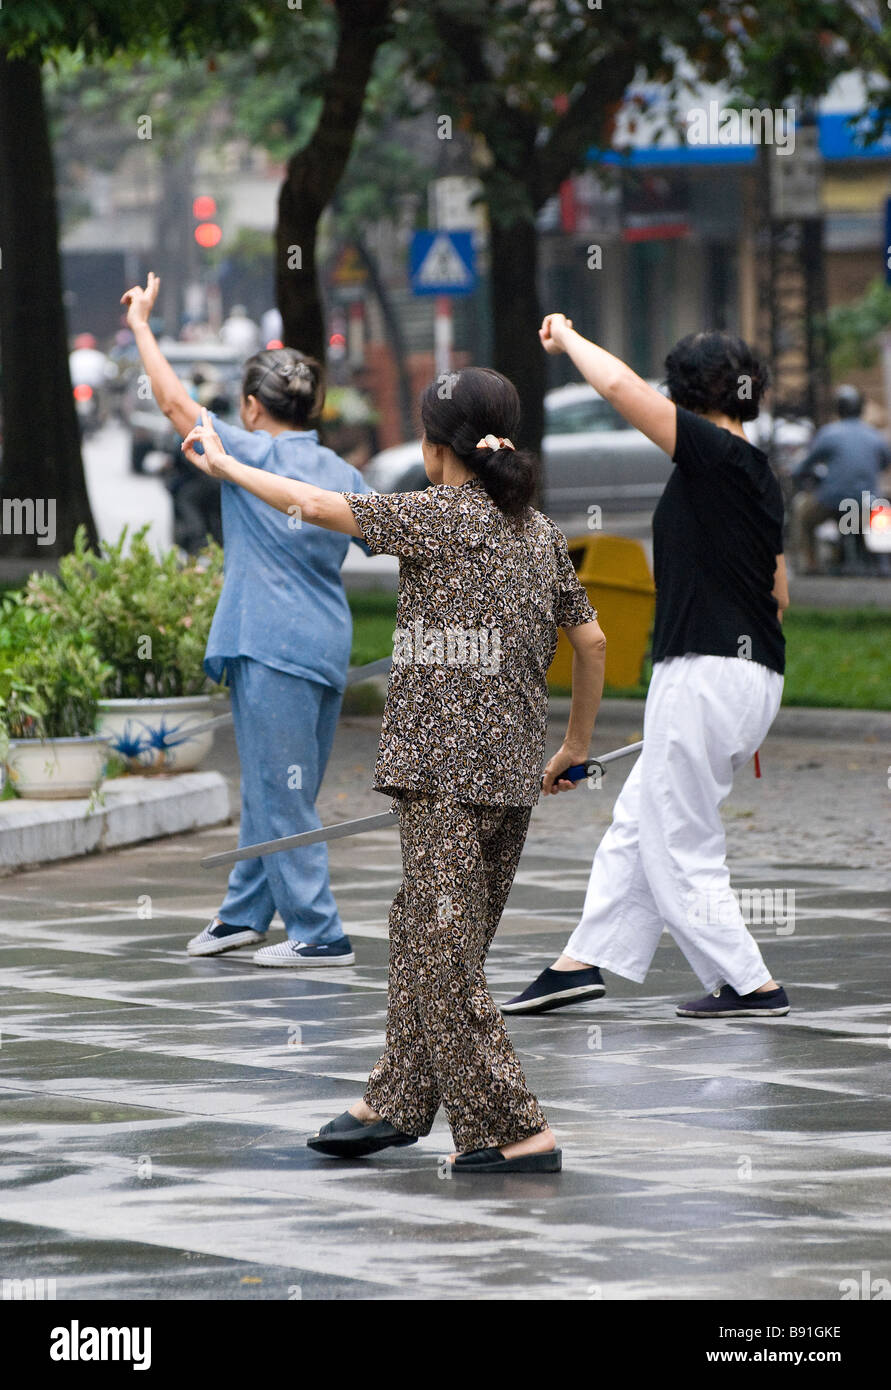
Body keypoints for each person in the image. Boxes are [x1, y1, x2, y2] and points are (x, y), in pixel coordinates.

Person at [181, 366, 608, 1173]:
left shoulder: (439, 515)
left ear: (433, 447)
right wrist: (574, 747)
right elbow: (591, 643)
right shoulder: (539, 531)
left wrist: (228, 465)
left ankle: (516, 1130)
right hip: (513, 776)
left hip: (442, 780)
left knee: (442, 961)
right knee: (426, 940)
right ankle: (397, 1098)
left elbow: (313, 506)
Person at [504, 320, 791, 1021]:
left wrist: (568, 336)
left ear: (684, 392)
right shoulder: (752, 470)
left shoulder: (713, 452)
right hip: (737, 672)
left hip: (707, 668)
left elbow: (614, 386)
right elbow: (779, 594)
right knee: (639, 819)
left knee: (675, 832)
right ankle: (580, 961)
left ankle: (750, 982)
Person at [121, 272, 372, 967]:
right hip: (324, 642)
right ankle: (242, 914)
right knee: (279, 783)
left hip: (271, 643)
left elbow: (172, 402)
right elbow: (386, 536)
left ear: (255, 408)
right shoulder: (338, 470)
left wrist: (142, 324)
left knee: (283, 792)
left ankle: (320, 934)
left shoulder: (246, 452)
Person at [790, 386, 891, 573]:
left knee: (803, 513)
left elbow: (804, 466)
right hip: (867, 503)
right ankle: (880, 563)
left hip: (832, 502)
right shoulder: (875, 436)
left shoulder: (828, 433)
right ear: (861, 409)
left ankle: (811, 565)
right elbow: (885, 463)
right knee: (881, 508)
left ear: (838, 409)